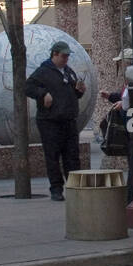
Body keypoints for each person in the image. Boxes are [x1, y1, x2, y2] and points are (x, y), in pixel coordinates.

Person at [25, 40, 85, 201]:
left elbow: (74, 93)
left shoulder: (69, 72)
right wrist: (43, 94)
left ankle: (74, 187)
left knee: (72, 156)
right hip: (50, 121)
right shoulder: (43, 71)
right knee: (53, 156)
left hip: (69, 119)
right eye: (63, 56)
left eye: (67, 56)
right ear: (54, 54)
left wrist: (79, 90)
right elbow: (28, 87)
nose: (66, 59)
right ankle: (56, 189)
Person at [100, 48, 133, 203]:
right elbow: (124, 97)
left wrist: (122, 103)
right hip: (131, 122)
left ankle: (132, 195)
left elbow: (128, 100)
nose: (120, 66)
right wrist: (111, 96)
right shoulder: (128, 80)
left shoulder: (132, 77)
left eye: (122, 63)